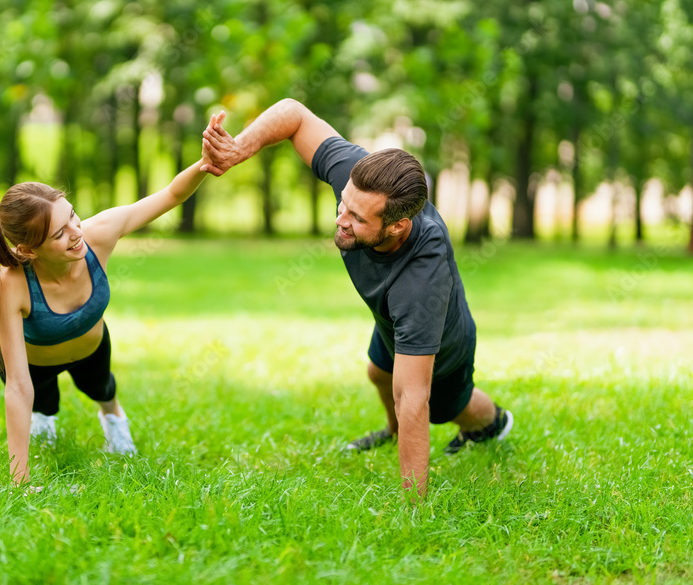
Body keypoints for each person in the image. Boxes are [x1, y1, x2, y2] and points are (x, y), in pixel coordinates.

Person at [200, 100, 513, 497]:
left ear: (399, 226)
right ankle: (391, 432)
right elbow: (295, 114)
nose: (340, 218)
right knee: (378, 372)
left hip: (442, 343)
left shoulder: (421, 281)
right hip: (389, 317)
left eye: (357, 218)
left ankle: (493, 425)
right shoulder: (361, 182)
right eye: (343, 203)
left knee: (447, 409)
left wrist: (413, 508)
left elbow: (413, 398)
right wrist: (239, 148)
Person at [0, 124, 217, 485]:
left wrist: (205, 164)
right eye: (59, 234)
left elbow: (169, 195)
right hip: (35, 365)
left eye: (72, 216)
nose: (76, 233)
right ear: (28, 250)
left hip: (91, 349)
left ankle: (114, 421)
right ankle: (44, 421)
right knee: (41, 403)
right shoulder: (12, 283)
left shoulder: (98, 233)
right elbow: (17, 385)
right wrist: (19, 479)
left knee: (103, 388)